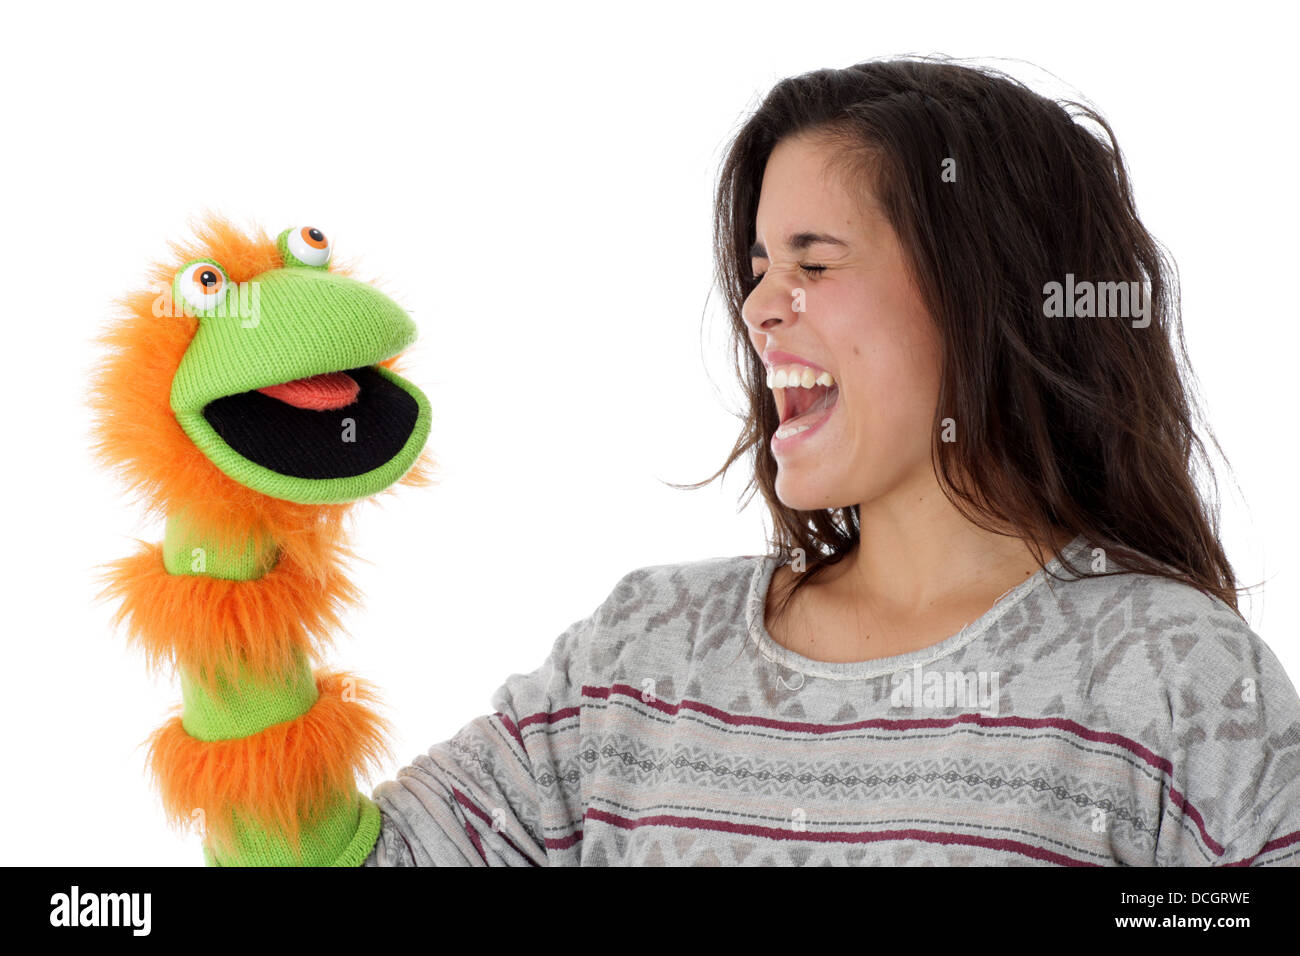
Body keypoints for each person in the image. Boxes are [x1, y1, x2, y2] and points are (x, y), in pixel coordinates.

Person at [363, 58, 1300, 866]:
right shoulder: (643, 657)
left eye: (814, 263)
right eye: (761, 265)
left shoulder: (1175, 673)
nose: (760, 306)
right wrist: (240, 556)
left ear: (986, 293)